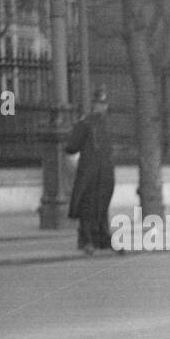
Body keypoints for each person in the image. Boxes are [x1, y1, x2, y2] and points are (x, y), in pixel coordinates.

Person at [65, 88, 116, 255]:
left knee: (102, 205)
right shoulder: (85, 123)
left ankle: (102, 238)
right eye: (100, 103)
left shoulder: (106, 124)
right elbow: (71, 147)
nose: (102, 107)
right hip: (90, 172)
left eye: (104, 103)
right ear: (93, 104)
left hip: (104, 171)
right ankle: (87, 240)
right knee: (87, 206)